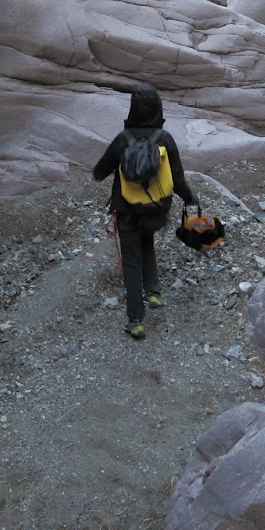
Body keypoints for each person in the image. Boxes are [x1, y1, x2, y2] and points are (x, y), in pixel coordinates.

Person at [92, 84, 199, 339]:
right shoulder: (165, 139)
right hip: (156, 212)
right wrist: (190, 199)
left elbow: (99, 173)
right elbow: (178, 180)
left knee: (131, 261)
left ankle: (135, 320)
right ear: (157, 108)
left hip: (127, 212)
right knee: (147, 242)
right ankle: (153, 291)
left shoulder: (122, 139)